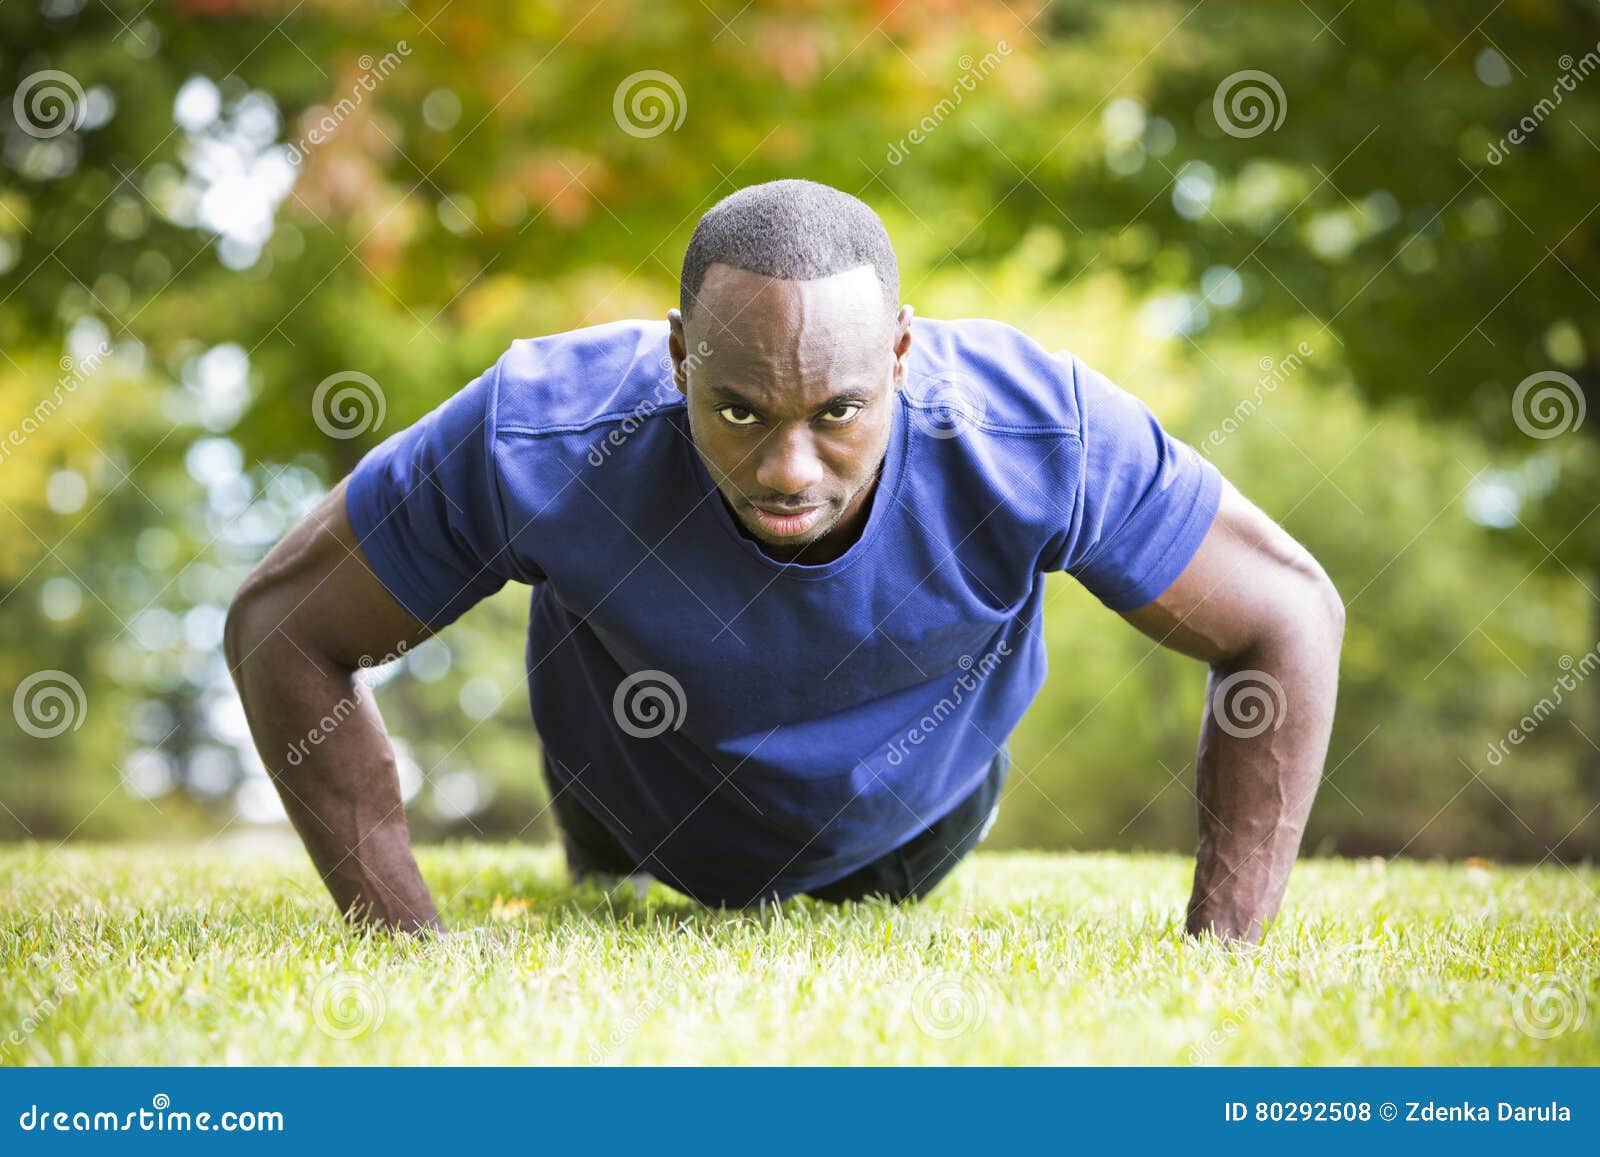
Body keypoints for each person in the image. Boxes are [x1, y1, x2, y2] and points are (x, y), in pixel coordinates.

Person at [224, 178, 1344, 944]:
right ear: (677, 356)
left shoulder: (1039, 436)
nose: (789, 468)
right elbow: (282, 627)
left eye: (838, 410)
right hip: (628, 807)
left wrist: (1223, 955)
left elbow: (1285, 613)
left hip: (912, 829)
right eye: (739, 409)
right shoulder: (543, 430)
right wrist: (403, 939)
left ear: (900, 355)